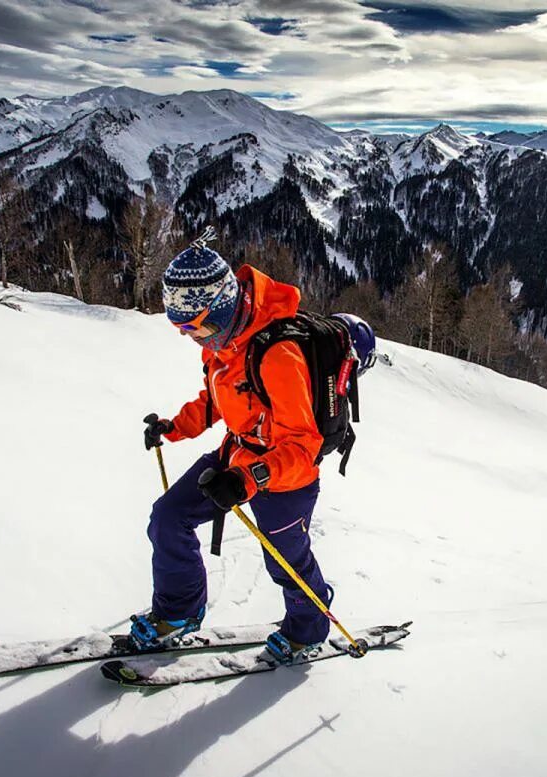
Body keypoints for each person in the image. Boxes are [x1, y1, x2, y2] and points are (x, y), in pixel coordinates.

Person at [135, 231, 372, 664]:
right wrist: (173, 428)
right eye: (179, 327)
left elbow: (303, 446)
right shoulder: (221, 342)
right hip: (237, 458)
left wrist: (250, 479)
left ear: (222, 307)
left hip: (284, 478)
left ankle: (308, 630)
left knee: (287, 564)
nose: (188, 335)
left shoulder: (277, 355)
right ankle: (180, 612)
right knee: (168, 516)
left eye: (193, 324)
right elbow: (218, 399)